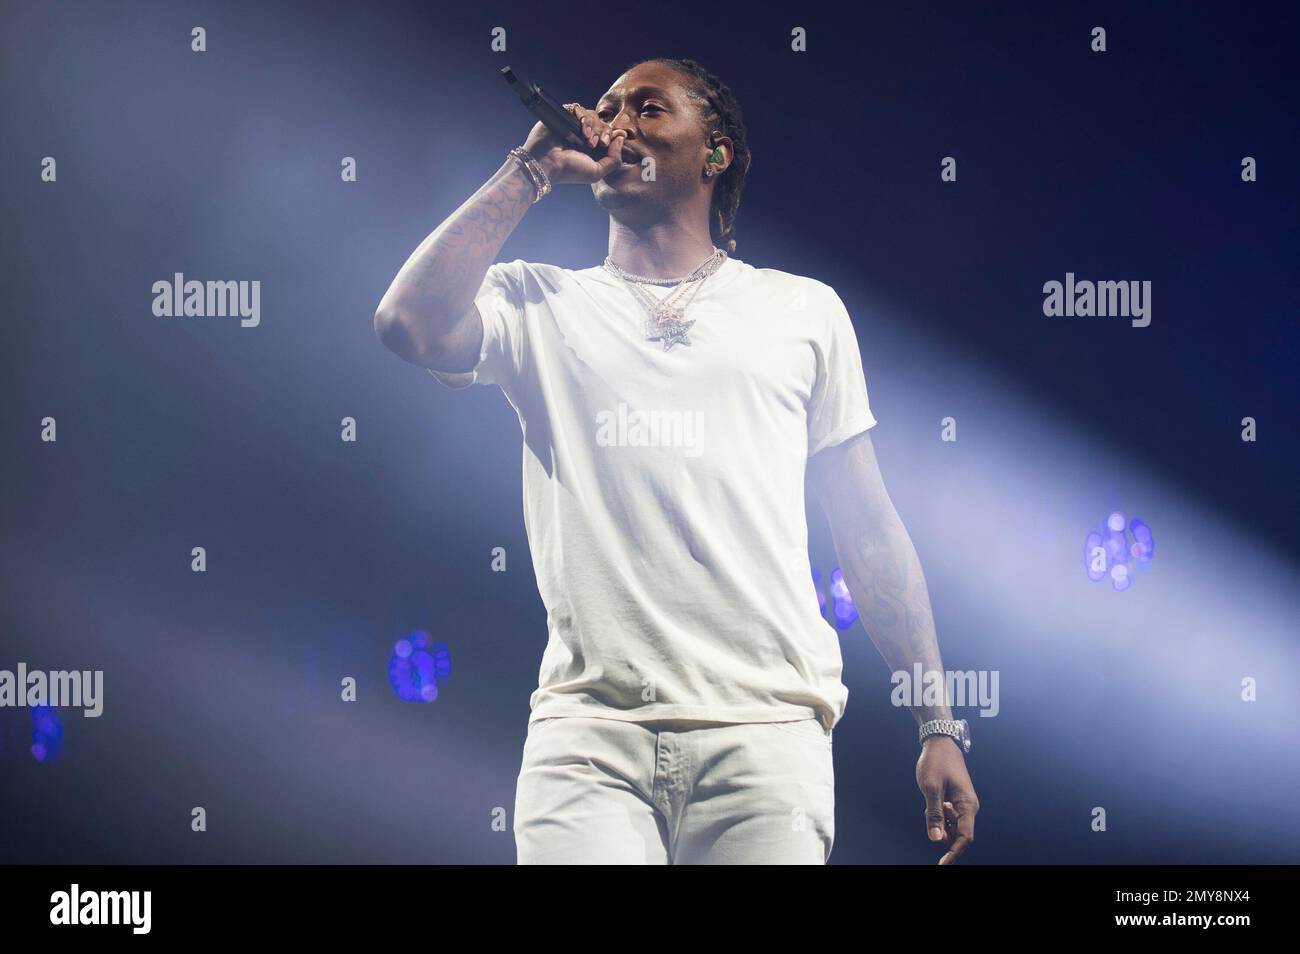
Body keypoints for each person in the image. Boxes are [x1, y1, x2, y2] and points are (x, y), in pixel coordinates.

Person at [374, 57, 979, 864]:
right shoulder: (538, 300)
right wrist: (529, 171)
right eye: (610, 107)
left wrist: (936, 722)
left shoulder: (800, 310)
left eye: (649, 109)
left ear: (715, 152)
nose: (616, 123)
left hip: (767, 736)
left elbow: (868, 527)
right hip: (588, 742)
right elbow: (407, 323)